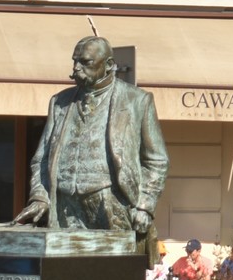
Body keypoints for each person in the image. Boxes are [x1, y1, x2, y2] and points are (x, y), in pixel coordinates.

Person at [16, 36, 169, 234]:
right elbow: (41, 160)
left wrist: (145, 205)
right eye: (75, 61)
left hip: (112, 204)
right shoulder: (59, 102)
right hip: (64, 205)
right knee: (65, 265)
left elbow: (157, 160)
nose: (76, 68)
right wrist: (39, 196)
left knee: (115, 265)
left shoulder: (136, 100)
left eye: (85, 62)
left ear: (108, 65)